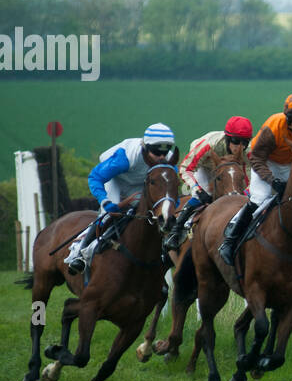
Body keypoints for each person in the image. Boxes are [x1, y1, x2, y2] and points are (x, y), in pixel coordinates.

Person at [219, 93, 292, 265]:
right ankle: (230, 240)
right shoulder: (274, 127)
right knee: (260, 198)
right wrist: (273, 180)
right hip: (266, 161)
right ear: (288, 119)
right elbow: (256, 158)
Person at [67, 123, 177, 273]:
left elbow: (169, 190)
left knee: (151, 215)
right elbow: (95, 177)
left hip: (142, 183)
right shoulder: (125, 157)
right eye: (157, 152)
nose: (162, 157)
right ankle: (80, 252)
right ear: (145, 147)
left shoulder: (169, 161)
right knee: (107, 216)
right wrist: (106, 202)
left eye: (166, 152)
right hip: (116, 181)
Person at [169, 115, 254, 249]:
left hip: (230, 170)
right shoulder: (210, 144)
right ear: (227, 138)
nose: (240, 147)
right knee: (204, 195)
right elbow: (185, 168)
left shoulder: (248, 152)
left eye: (245, 142)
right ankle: (176, 231)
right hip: (205, 166)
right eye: (236, 141)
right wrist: (197, 189)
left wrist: (245, 194)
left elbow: (249, 180)